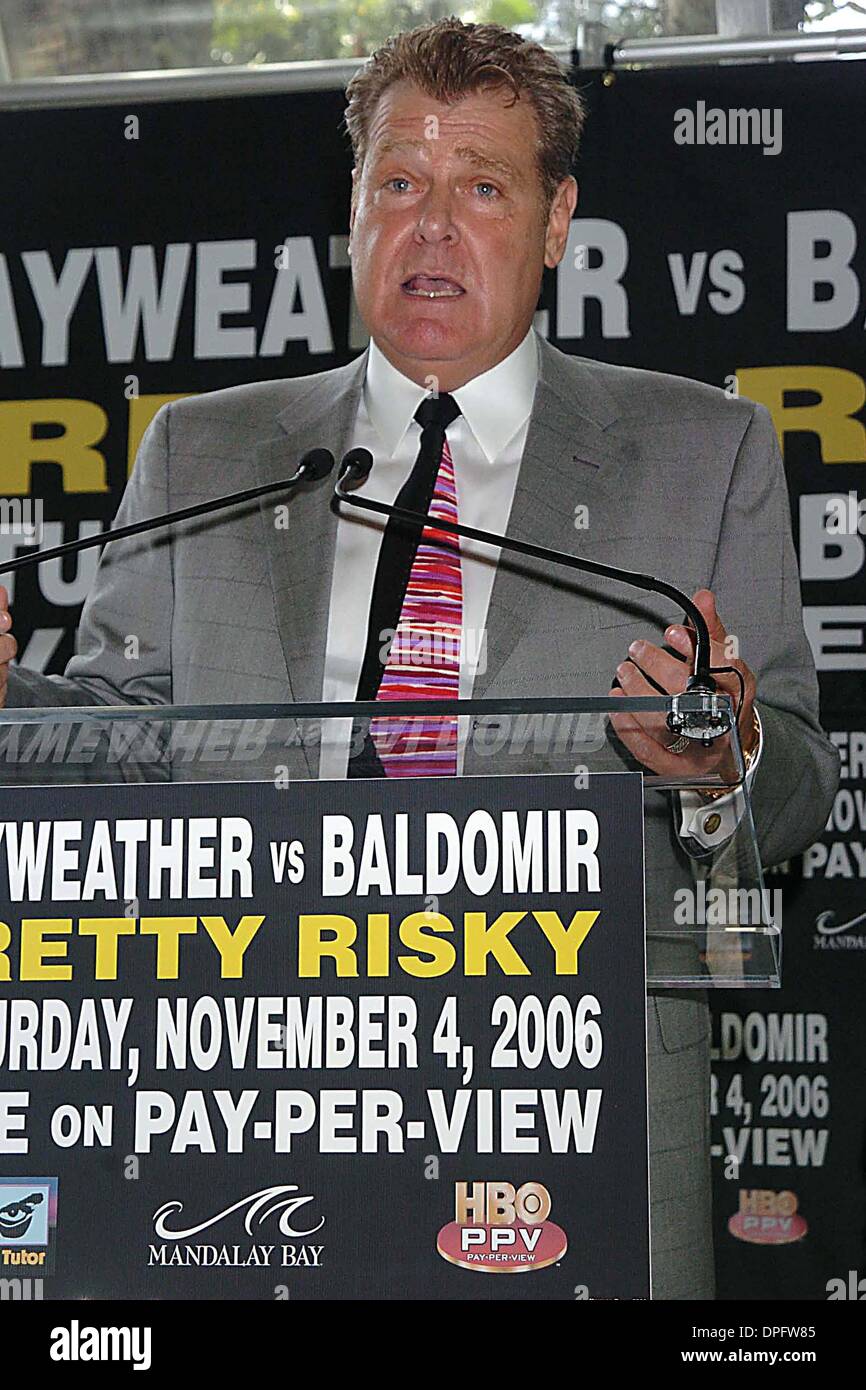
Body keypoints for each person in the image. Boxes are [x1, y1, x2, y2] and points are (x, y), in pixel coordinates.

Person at [0, 19, 838, 1297]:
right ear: (352, 209)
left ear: (555, 221)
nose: (432, 228)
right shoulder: (205, 454)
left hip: (575, 1145)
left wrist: (715, 752)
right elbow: (125, 743)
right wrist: (8, 704)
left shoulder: (699, 451)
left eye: (480, 188)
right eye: (399, 183)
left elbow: (790, 787)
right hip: (260, 1134)